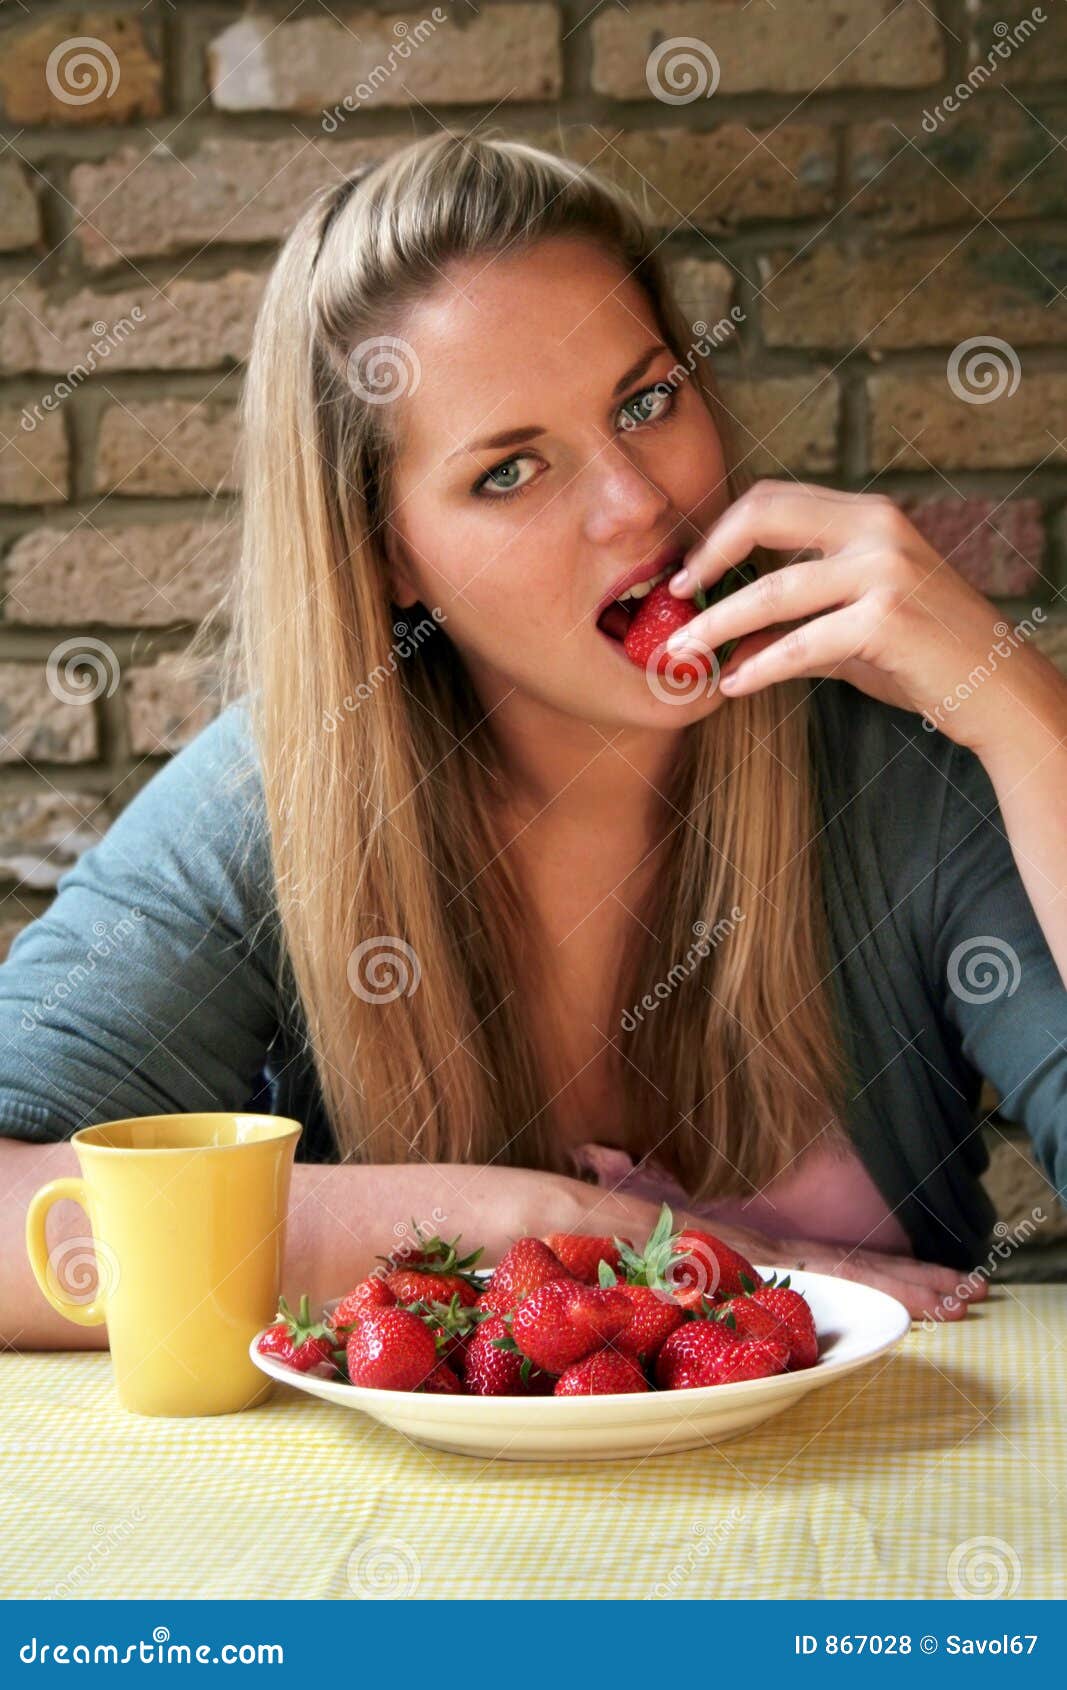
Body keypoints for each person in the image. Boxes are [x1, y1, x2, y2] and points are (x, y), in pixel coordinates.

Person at [3, 131, 1065, 1350]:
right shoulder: (274, 801)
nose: (636, 501)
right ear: (389, 557)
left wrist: (1022, 717)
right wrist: (563, 1229)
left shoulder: (898, 771)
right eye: (510, 472)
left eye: (646, 401)